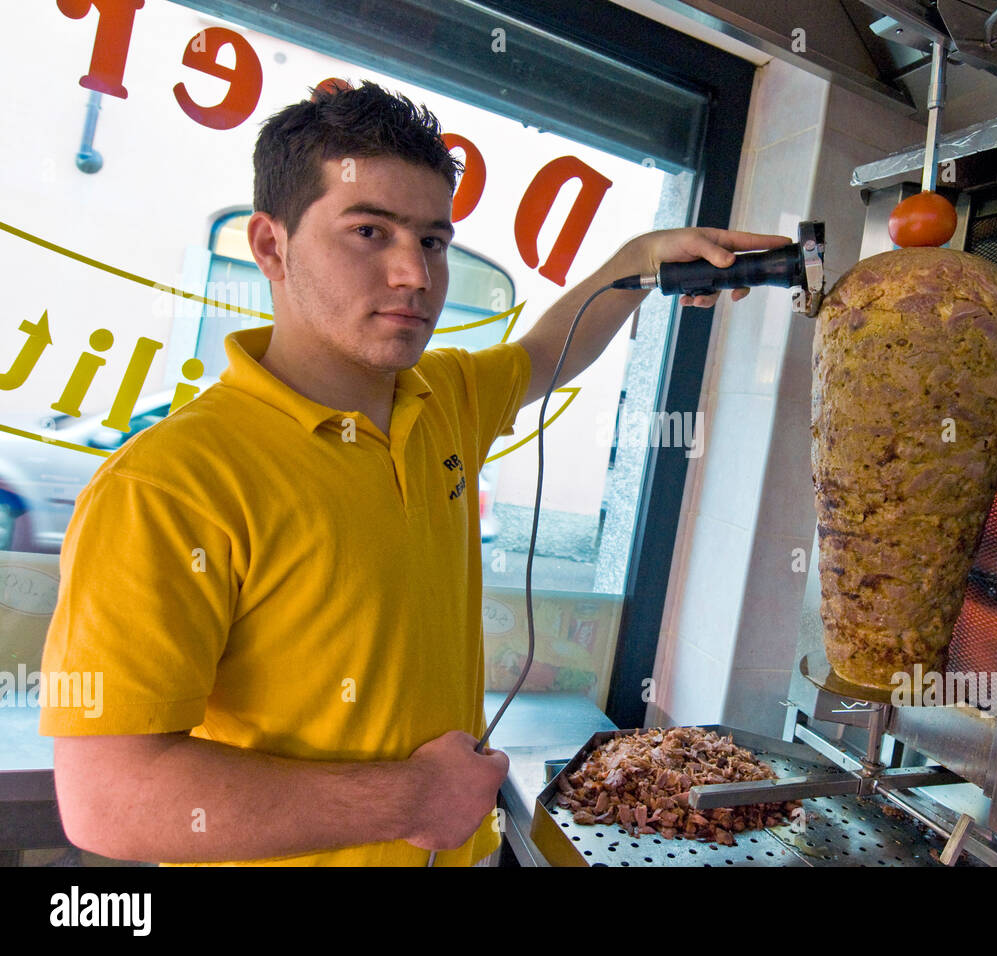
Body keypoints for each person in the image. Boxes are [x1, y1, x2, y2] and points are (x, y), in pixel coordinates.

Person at [38, 80, 787, 866]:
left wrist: (637, 263)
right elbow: (107, 798)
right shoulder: (168, 484)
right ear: (270, 246)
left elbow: (545, 354)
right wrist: (412, 798)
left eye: (432, 241)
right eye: (369, 231)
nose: (415, 275)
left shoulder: (443, 398)